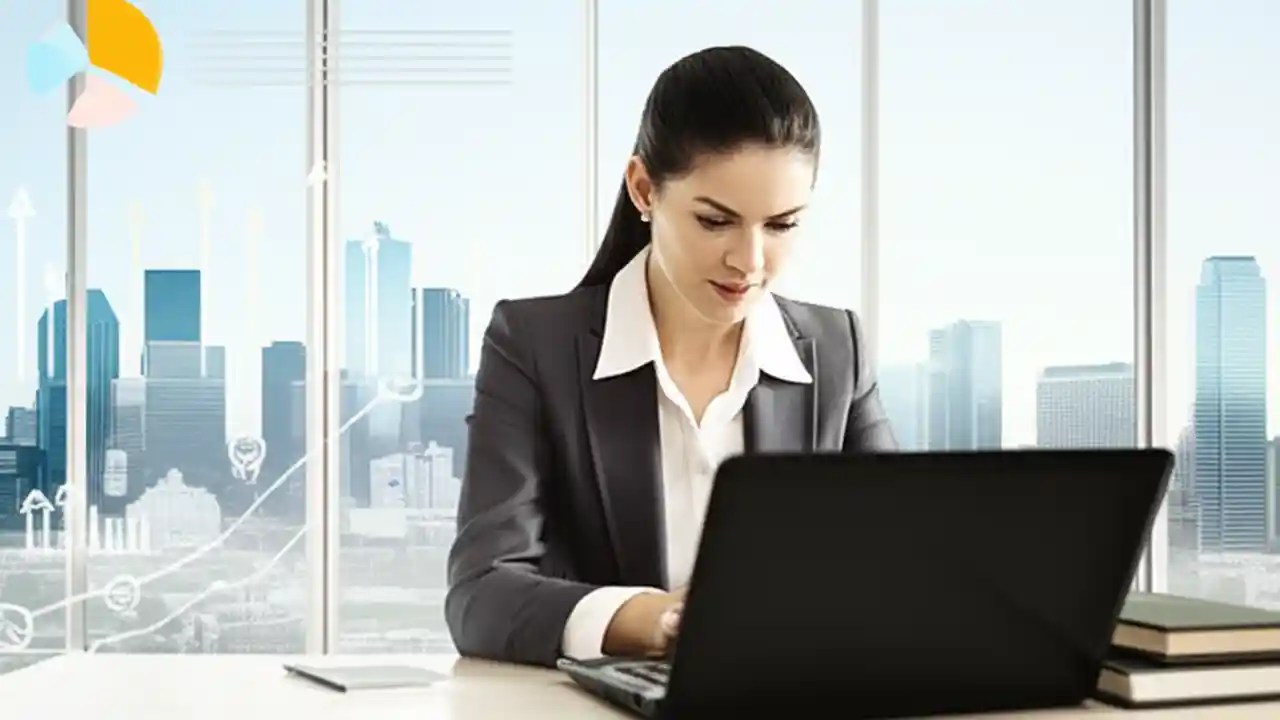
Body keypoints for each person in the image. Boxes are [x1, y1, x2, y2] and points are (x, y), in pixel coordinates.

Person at [445, 45, 897, 668]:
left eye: (782, 225)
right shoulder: (533, 346)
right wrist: (656, 620)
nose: (751, 260)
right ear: (643, 189)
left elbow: (905, 559)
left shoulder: (836, 351)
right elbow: (480, 594)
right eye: (716, 222)